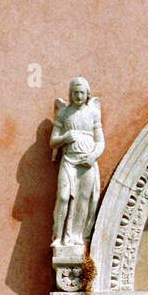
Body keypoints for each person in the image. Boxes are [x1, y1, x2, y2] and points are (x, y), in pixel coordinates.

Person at [51, 77, 104, 247]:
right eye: (75, 93)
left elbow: (100, 141)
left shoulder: (93, 113)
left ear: (87, 94)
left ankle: (76, 236)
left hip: (86, 162)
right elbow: (53, 141)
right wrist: (64, 138)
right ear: (70, 94)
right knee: (63, 196)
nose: (78, 96)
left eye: (81, 93)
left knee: (83, 198)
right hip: (69, 161)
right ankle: (59, 236)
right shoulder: (64, 113)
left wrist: (93, 156)